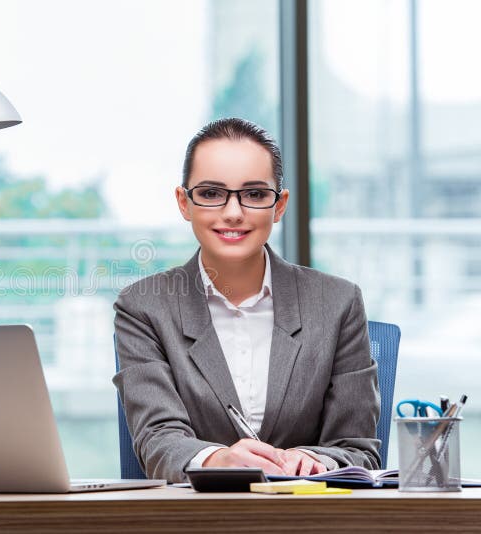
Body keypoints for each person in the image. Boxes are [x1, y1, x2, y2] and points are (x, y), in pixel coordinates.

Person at [112, 118, 380, 483]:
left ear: (279, 206)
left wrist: (313, 459)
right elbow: (158, 440)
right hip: (193, 510)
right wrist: (216, 459)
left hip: (304, 510)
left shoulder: (337, 303)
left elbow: (358, 449)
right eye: (211, 193)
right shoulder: (144, 307)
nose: (233, 212)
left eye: (254, 194)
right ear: (184, 203)